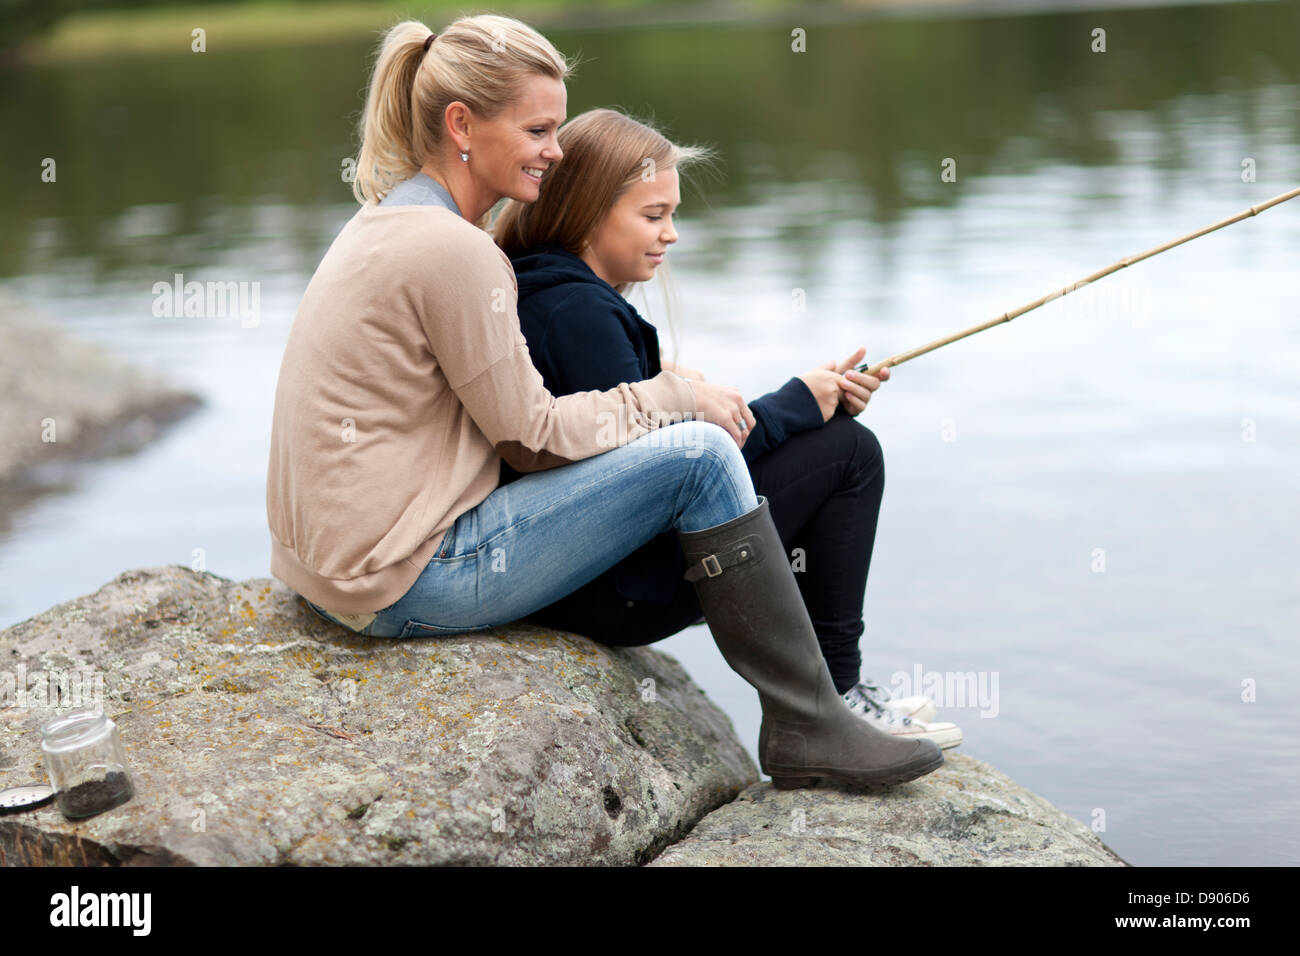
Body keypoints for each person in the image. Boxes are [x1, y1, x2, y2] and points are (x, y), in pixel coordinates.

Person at [265, 15, 944, 790]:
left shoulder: (384, 221)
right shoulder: (453, 250)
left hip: (329, 577)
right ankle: (809, 724)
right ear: (462, 125)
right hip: (405, 581)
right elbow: (534, 440)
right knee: (699, 453)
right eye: (539, 128)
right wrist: (671, 397)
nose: (558, 150)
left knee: (699, 442)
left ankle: (821, 708)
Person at [493, 109, 962, 749]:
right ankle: (834, 701)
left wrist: (807, 406)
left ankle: (829, 692)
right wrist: (797, 405)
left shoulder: (553, 291)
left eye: (672, 215)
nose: (673, 235)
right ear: (587, 211)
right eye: (653, 216)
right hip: (615, 589)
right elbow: (664, 474)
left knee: (828, 440)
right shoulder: (578, 312)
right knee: (848, 455)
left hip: (580, 573)